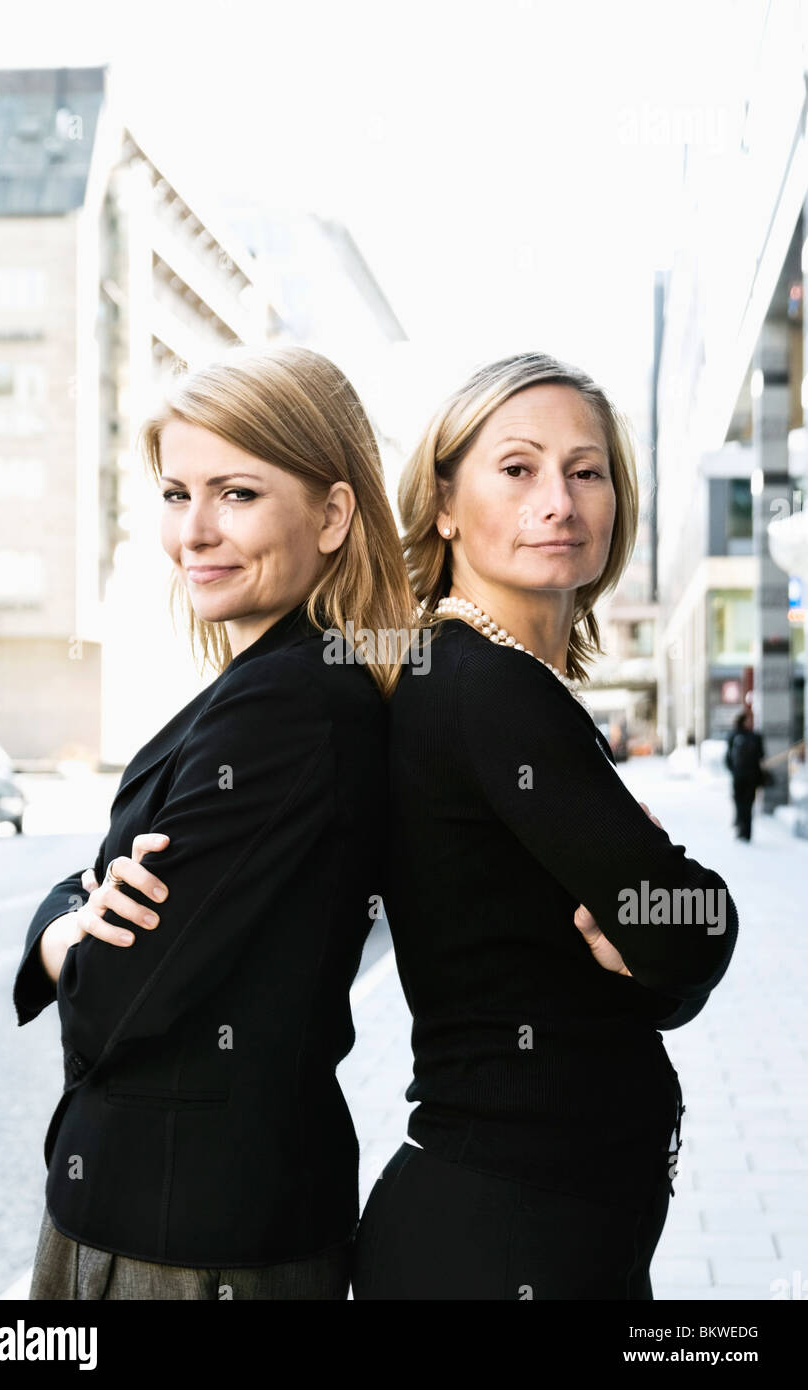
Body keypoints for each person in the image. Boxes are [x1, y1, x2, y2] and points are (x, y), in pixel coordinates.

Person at [13, 347, 415, 1299]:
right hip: (192, 1219)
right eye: (175, 492)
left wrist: (66, 929)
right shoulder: (283, 683)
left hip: (186, 1242)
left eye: (235, 493)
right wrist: (79, 911)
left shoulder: (288, 705)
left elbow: (118, 989)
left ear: (332, 514)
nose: (194, 532)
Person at [351, 352, 739, 1300]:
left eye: (587, 469)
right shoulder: (490, 690)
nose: (558, 502)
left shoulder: (472, 677)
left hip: (535, 1224)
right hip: (504, 1239)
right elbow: (689, 930)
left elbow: (658, 955)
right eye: (517, 469)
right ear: (443, 503)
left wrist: (657, 942)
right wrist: (679, 919)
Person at [725, 710, 767, 841]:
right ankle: (747, 832)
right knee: (748, 804)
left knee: (739, 802)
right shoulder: (755, 736)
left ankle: (740, 828)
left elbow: (727, 758)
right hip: (751, 776)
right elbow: (761, 755)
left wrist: (734, 771)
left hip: (739, 776)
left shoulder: (733, 735)